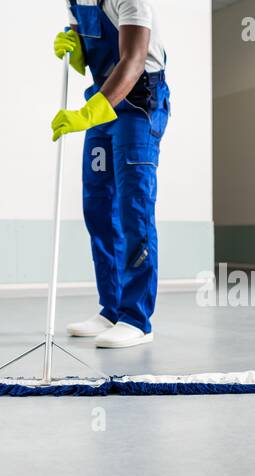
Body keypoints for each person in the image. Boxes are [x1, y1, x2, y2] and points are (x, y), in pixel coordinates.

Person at [51, 0, 169, 349]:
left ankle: (137, 318)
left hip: (138, 102)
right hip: (103, 99)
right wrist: (74, 53)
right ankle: (112, 307)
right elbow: (91, 57)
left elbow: (133, 61)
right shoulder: (74, 2)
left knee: (134, 209)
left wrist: (88, 114)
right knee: (99, 207)